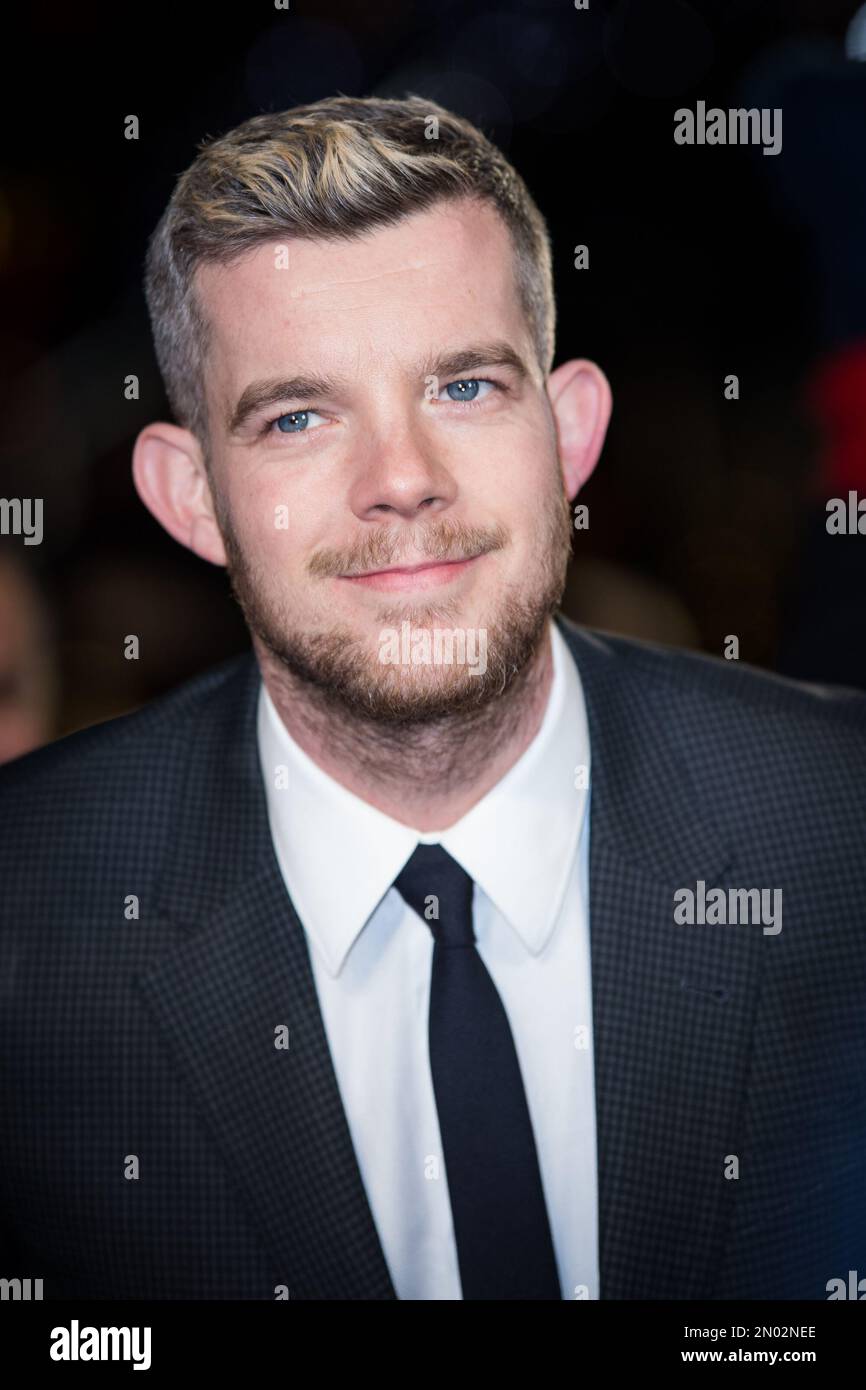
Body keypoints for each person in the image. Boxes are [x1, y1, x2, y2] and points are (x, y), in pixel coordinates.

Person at [0, 95, 863, 1302]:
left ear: (568, 435)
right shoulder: (26, 915)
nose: (400, 480)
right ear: (190, 497)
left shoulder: (841, 826)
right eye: (298, 417)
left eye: (461, 389)